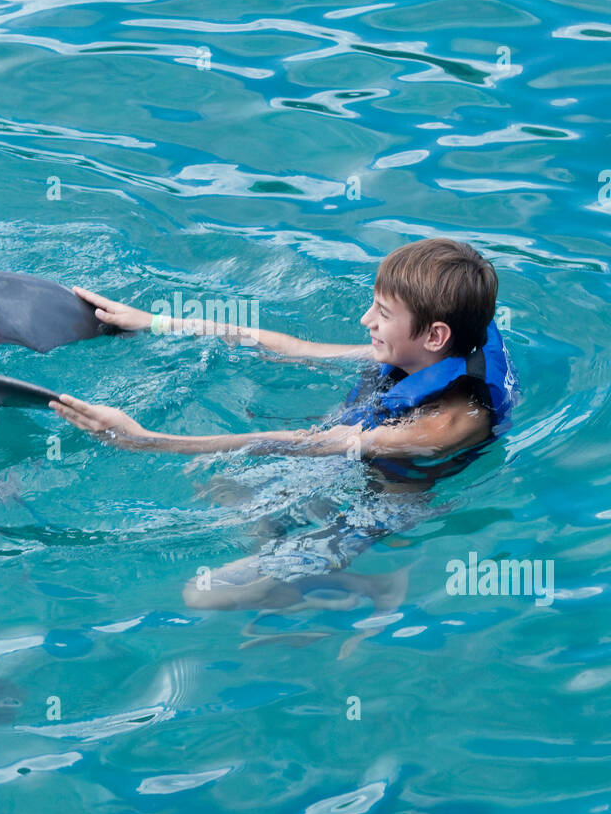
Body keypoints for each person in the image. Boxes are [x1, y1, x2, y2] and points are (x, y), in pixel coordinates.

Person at [49, 237, 518, 609]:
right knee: (220, 488)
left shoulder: (449, 422)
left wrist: (146, 440)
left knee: (204, 593)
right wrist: (154, 323)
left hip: (378, 508)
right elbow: (297, 349)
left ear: (435, 335)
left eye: (383, 313)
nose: (365, 319)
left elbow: (312, 444)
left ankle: (371, 588)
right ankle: (286, 561)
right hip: (347, 465)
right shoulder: (424, 350)